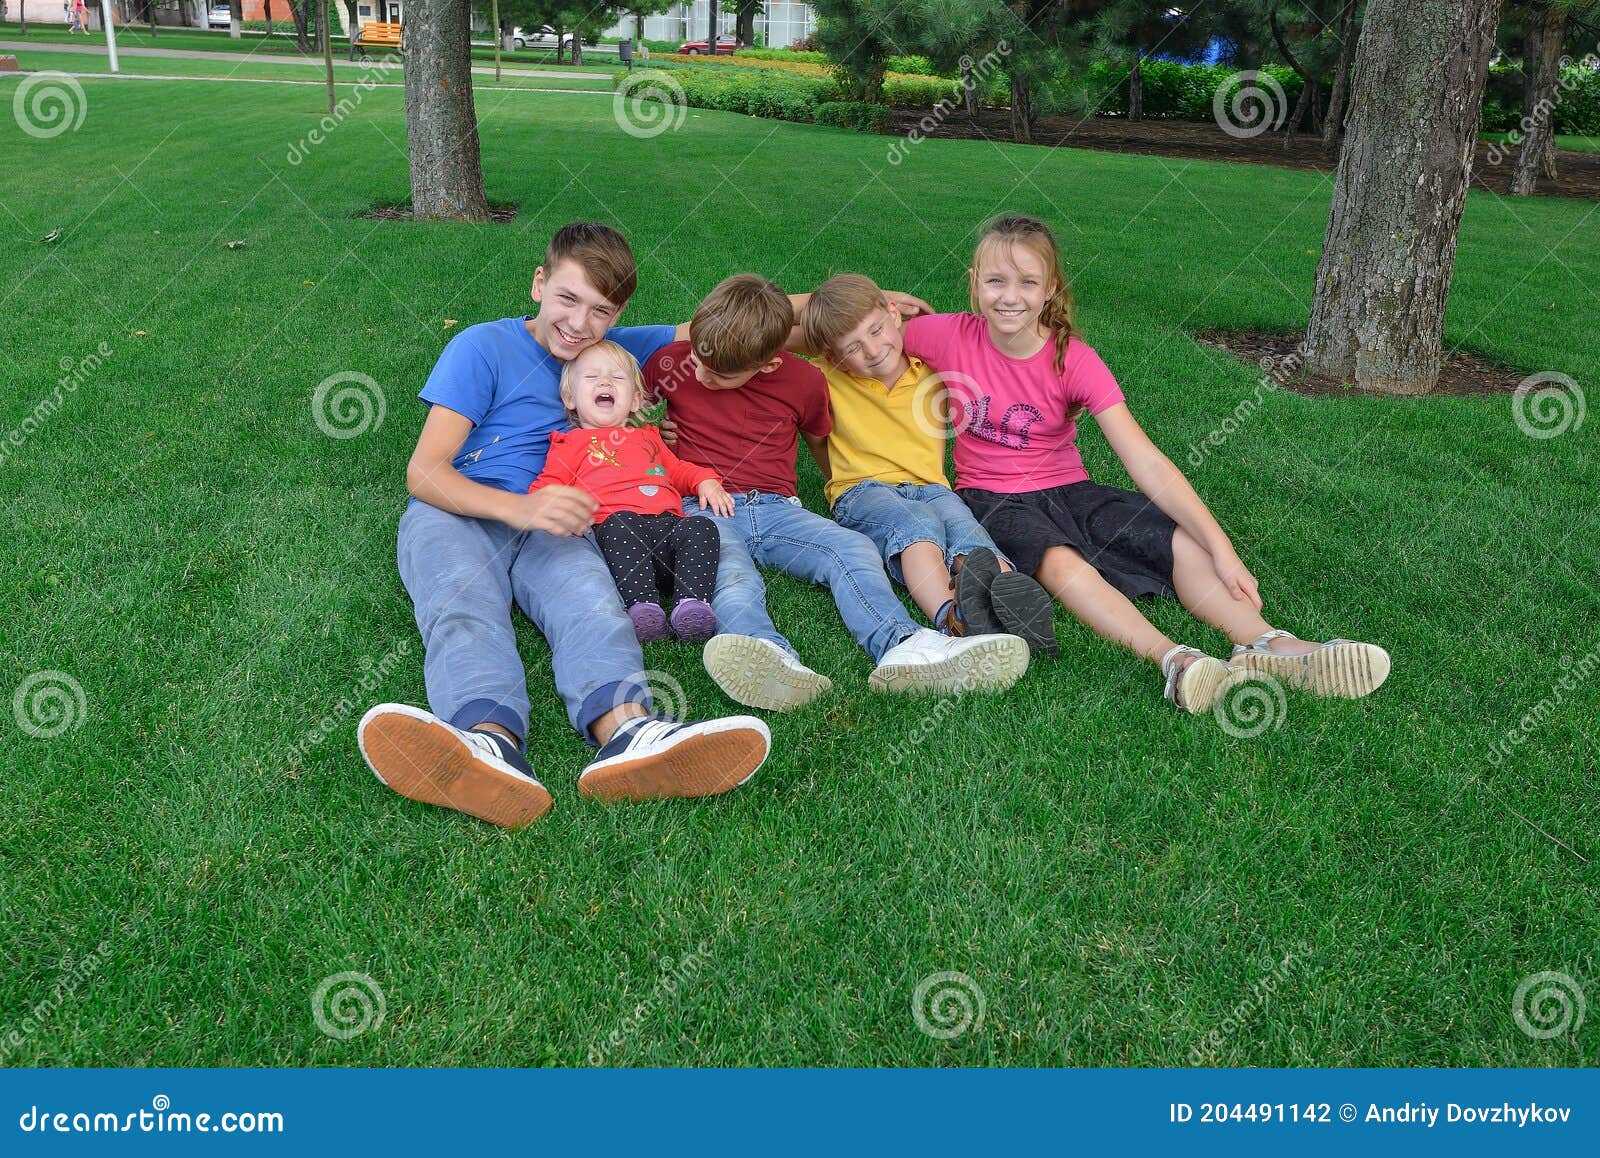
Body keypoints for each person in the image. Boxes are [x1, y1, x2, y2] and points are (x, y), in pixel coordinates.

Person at [356, 223, 770, 830]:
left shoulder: (610, 354)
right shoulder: (482, 347)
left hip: (559, 522)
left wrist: (856, 308)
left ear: (618, 314)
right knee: (463, 607)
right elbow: (424, 473)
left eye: (600, 312)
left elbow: (720, 325)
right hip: (461, 510)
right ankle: (488, 741)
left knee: (591, 604)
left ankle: (629, 733)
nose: (578, 325)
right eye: (567, 300)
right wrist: (520, 508)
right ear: (539, 284)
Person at [902, 214, 1391, 713]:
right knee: (1058, 560)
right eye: (995, 281)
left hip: (1070, 489)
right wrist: (887, 304)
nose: (1010, 296)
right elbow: (847, 326)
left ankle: (1267, 645)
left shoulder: (1074, 360)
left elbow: (1145, 460)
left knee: (1175, 540)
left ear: (1050, 288)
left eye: (1027, 282)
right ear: (974, 284)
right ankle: (1175, 661)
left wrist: (1219, 547)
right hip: (991, 500)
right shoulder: (945, 335)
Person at [643, 274, 1032, 711]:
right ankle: (766, 653)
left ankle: (905, 644)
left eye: (716, 374)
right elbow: (619, 406)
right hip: (701, 506)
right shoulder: (669, 363)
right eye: (695, 359)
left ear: (768, 363)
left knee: (853, 548)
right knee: (731, 573)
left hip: (774, 507)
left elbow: (817, 438)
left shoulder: (804, 382)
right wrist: (653, 436)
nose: (697, 373)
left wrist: (838, 484)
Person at [796, 272, 1056, 657]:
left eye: (876, 329)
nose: (871, 349)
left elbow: (982, 339)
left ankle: (1008, 604)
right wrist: (888, 291)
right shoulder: (823, 375)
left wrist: (889, 300)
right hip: (863, 490)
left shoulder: (931, 365)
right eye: (852, 347)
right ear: (833, 355)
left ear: (894, 314)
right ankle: (953, 618)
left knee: (966, 531)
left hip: (933, 486)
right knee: (917, 527)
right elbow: (761, 332)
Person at [529, 340, 729, 643]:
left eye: (617, 378)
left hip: (668, 528)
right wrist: (540, 507)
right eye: (592, 377)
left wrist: (704, 480)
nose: (605, 382)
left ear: (635, 400)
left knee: (701, 526)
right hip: (618, 539)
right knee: (622, 522)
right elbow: (548, 485)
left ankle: (691, 605)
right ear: (570, 398)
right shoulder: (571, 444)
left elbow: (676, 470)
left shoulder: (648, 436)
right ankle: (642, 607)